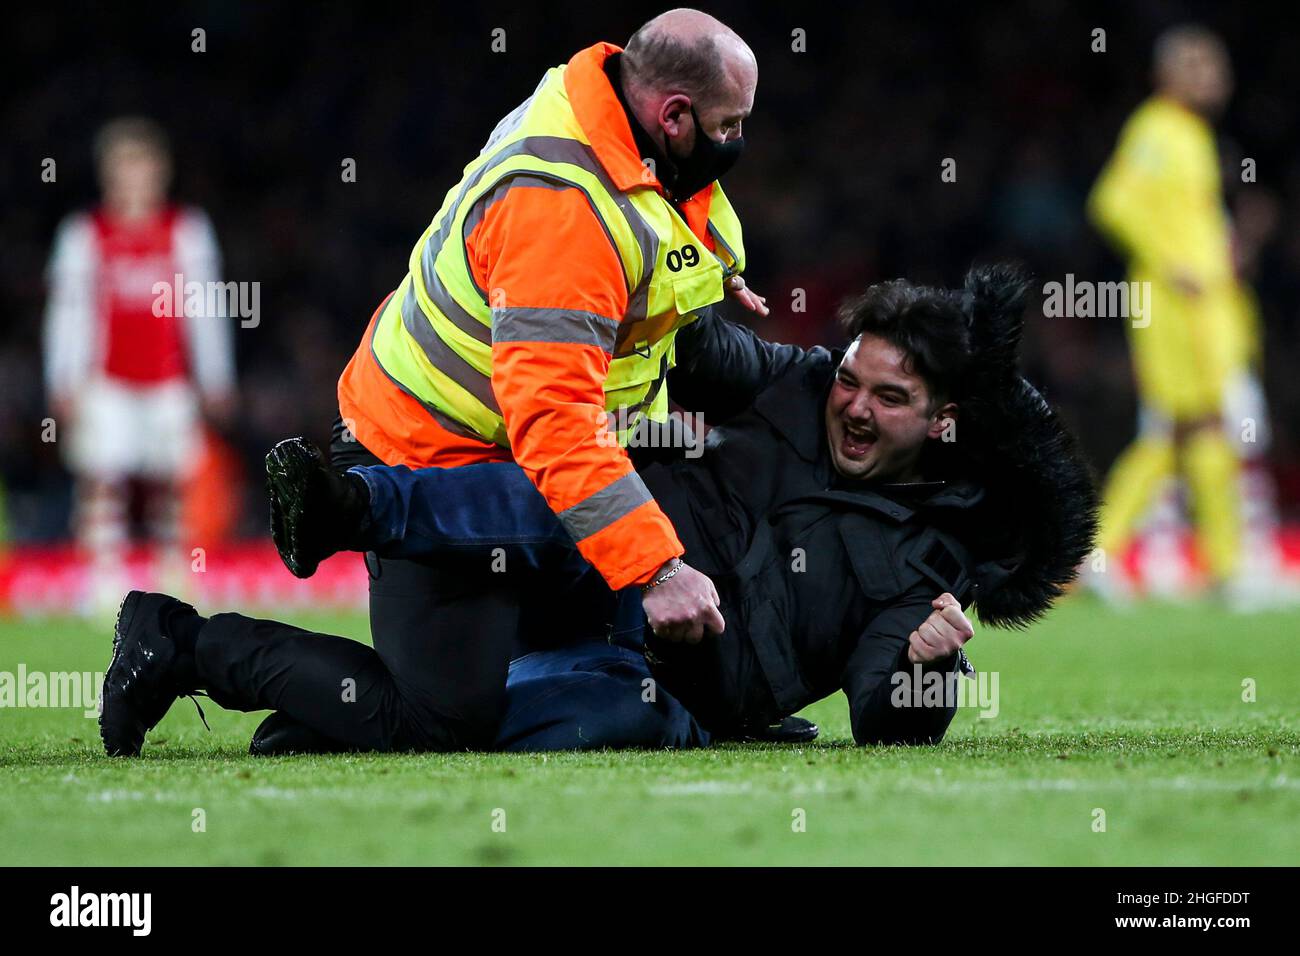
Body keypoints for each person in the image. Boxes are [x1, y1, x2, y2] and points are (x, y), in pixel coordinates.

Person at [100, 9, 773, 756]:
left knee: (614, 681)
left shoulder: (612, 117)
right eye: (728, 124)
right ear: (673, 114)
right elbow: (553, 420)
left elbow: (648, 240)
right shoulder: (562, 208)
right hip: (427, 455)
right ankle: (183, 643)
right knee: (438, 722)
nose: (736, 141)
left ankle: (331, 714)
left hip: (514, 465)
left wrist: (713, 279)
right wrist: (656, 569)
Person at [100, 265, 1098, 755]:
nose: (854, 405)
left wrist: (934, 671)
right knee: (575, 495)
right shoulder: (793, 383)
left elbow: (886, 718)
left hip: (676, 683)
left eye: (889, 399)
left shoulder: (921, 562)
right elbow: (702, 347)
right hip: (614, 560)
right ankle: (349, 503)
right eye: (852, 379)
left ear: (941, 421)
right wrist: (674, 263)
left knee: (462, 721)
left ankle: (192, 648)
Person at [44, 117, 235, 611]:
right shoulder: (85, 234)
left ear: (161, 172)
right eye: (125, 169)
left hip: (168, 377)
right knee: (102, 477)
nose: (135, 180)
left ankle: (174, 575)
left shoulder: (186, 230)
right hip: (107, 378)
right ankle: (103, 578)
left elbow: (207, 311)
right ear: (108, 175)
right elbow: (66, 312)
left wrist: (216, 376)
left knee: (173, 479)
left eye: (143, 168)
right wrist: (62, 376)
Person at [1086, 25, 1246, 597]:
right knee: (1193, 425)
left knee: (1193, 429)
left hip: (1202, 305)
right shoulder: (1155, 128)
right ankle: (1218, 567)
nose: (1216, 77)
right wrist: (1171, 262)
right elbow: (1112, 200)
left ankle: (1220, 567)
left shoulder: (1190, 133)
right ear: (1168, 74)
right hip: (1173, 305)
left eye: (1217, 66)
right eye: (1201, 65)